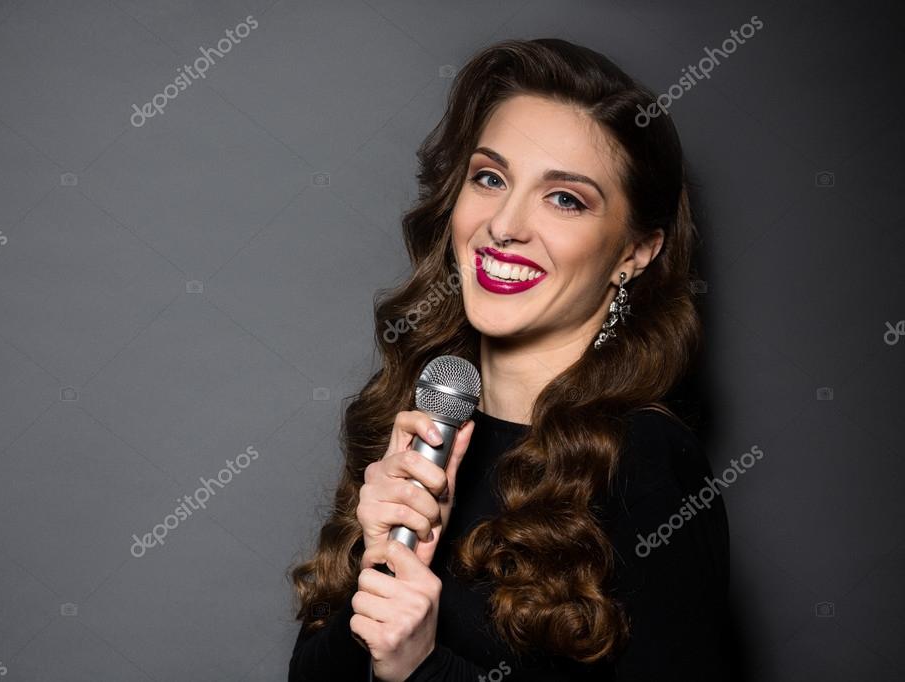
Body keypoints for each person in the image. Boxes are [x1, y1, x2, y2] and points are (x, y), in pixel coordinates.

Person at [287, 37, 734, 681]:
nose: (504, 225)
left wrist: (425, 669)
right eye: (490, 178)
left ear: (635, 252)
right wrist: (377, 569)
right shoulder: (417, 422)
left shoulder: (647, 462)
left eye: (565, 198)